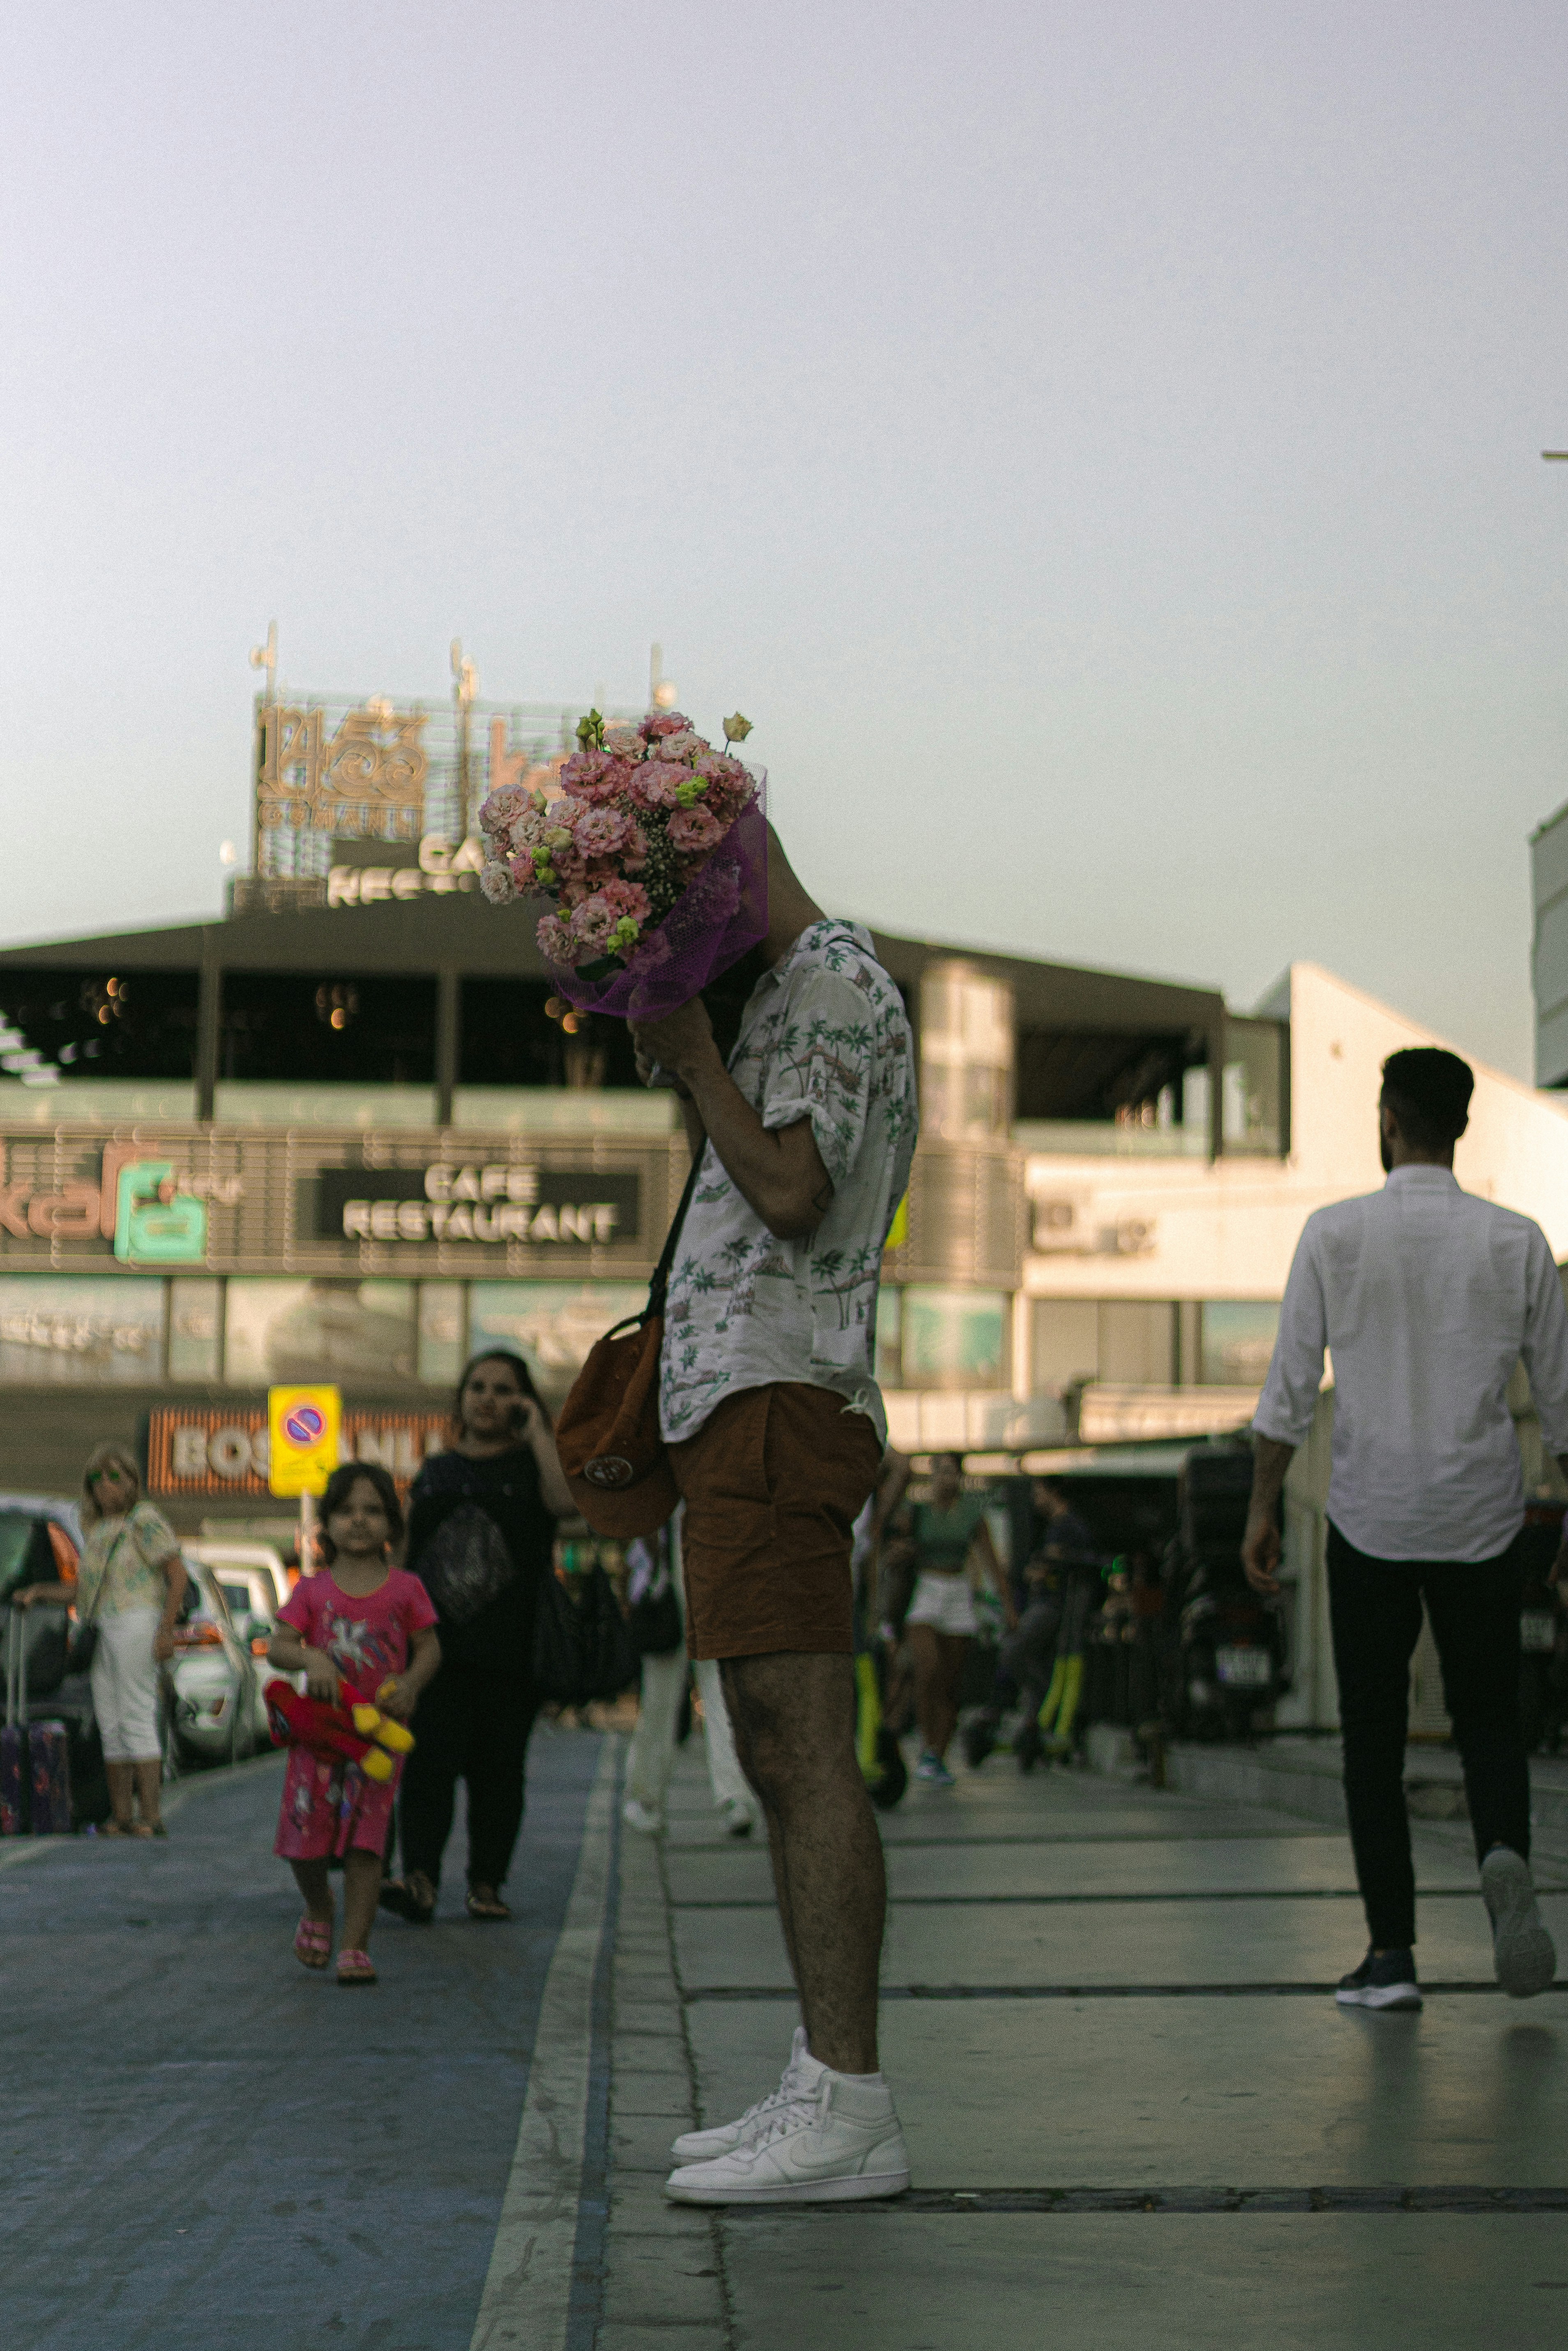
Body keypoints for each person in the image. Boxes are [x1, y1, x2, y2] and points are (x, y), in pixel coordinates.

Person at [629, 823, 918, 2205]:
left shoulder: (824, 984)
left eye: (676, 915)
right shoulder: (796, 992)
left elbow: (793, 1190)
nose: (673, 953)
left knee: (798, 1750)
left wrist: (692, 1060)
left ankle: (849, 2100)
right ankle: (822, 2075)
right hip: (752, 1406)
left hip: (774, 1404)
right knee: (771, 1740)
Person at [1243, 1046, 1568, 2011]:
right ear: (1462, 1127)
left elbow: (1287, 1391)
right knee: (1489, 1721)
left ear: (1388, 1117)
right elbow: (1561, 1398)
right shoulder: (1515, 1241)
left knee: (1372, 1740)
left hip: (1371, 1519)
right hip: (1481, 1516)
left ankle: (1390, 1957)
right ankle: (1503, 1853)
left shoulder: (1333, 1232)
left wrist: (1262, 1504)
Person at [381, 1349, 573, 1925]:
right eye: (477, 1387)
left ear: (523, 1400)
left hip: (511, 1652)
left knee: (499, 1771)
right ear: (461, 1397)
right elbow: (406, 1553)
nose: (488, 1398)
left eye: (503, 1389)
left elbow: (566, 1503)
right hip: (437, 1651)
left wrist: (539, 1431)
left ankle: (486, 1884)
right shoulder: (436, 1470)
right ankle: (419, 1879)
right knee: (427, 1767)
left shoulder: (534, 1467)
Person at [268, 1463, 440, 1985]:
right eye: (346, 1511)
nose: (359, 1521)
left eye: (373, 1510)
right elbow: (279, 1645)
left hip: (380, 1740)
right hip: (319, 1737)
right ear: (327, 1524)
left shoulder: (407, 1588)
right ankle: (319, 1905)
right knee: (307, 1840)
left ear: (392, 1523)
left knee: (368, 1843)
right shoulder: (312, 1591)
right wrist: (312, 1661)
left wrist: (411, 1682)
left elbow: (430, 1648)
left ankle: (355, 1945)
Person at [14, 1441, 186, 1837]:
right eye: (97, 1478)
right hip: (104, 1625)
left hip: (137, 1620)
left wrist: (165, 1631)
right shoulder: (98, 1530)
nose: (106, 1486)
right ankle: (121, 1815)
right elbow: (85, 1591)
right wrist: (39, 1591)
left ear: (132, 1480)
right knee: (111, 1718)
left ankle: (151, 1815)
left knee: (137, 1714)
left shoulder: (144, 1520)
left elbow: (176, 1575)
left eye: (115, 1476)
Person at [622, 1511, 757, 1838]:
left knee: (665, 1698)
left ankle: (647, 1797)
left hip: (687, 1574)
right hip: (697, 1574)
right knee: (713, 1692)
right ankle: (732, 1796)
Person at [900, 1453, 1011, 1786]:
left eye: (952, 1472)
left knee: (950, 1680)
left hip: (957, 1587)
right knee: (927, 1668)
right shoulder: (917, 1512)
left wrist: (1007, 1605)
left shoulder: (971, 1514)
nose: (945, 1479)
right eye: (940, 1472)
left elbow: (991, 1560)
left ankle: (938, 1752)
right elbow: (897, 1543)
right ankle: (924, 1740)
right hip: (926, 1588)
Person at [1004, 1478, 1100, 1771]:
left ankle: (1045, 1709)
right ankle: (1041, 1709)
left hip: (1057, 1605)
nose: (1035, 1499)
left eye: (1039, 1492)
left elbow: (1087, 1561)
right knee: (1040, 1659)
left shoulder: (1070, 1527)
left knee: (1016, 1650)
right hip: (1047, 1602)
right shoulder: (1054, 1528)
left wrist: (1057, 1562)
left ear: (1054, 1493)